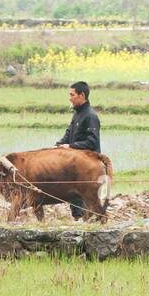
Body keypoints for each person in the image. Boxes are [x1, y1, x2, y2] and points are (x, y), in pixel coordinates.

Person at [56, 81, 102, 219]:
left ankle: (88, 219)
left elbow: (93, 141)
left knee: (84, 195)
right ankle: (79, 219)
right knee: (73, 193)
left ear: (82, 95)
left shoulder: (90, 116)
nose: (70, 98)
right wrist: (57, 145)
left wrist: (71, 146)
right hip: (75, 164)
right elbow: (68, 134)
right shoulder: (77, 114)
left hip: (88, 166)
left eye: (72, 94)